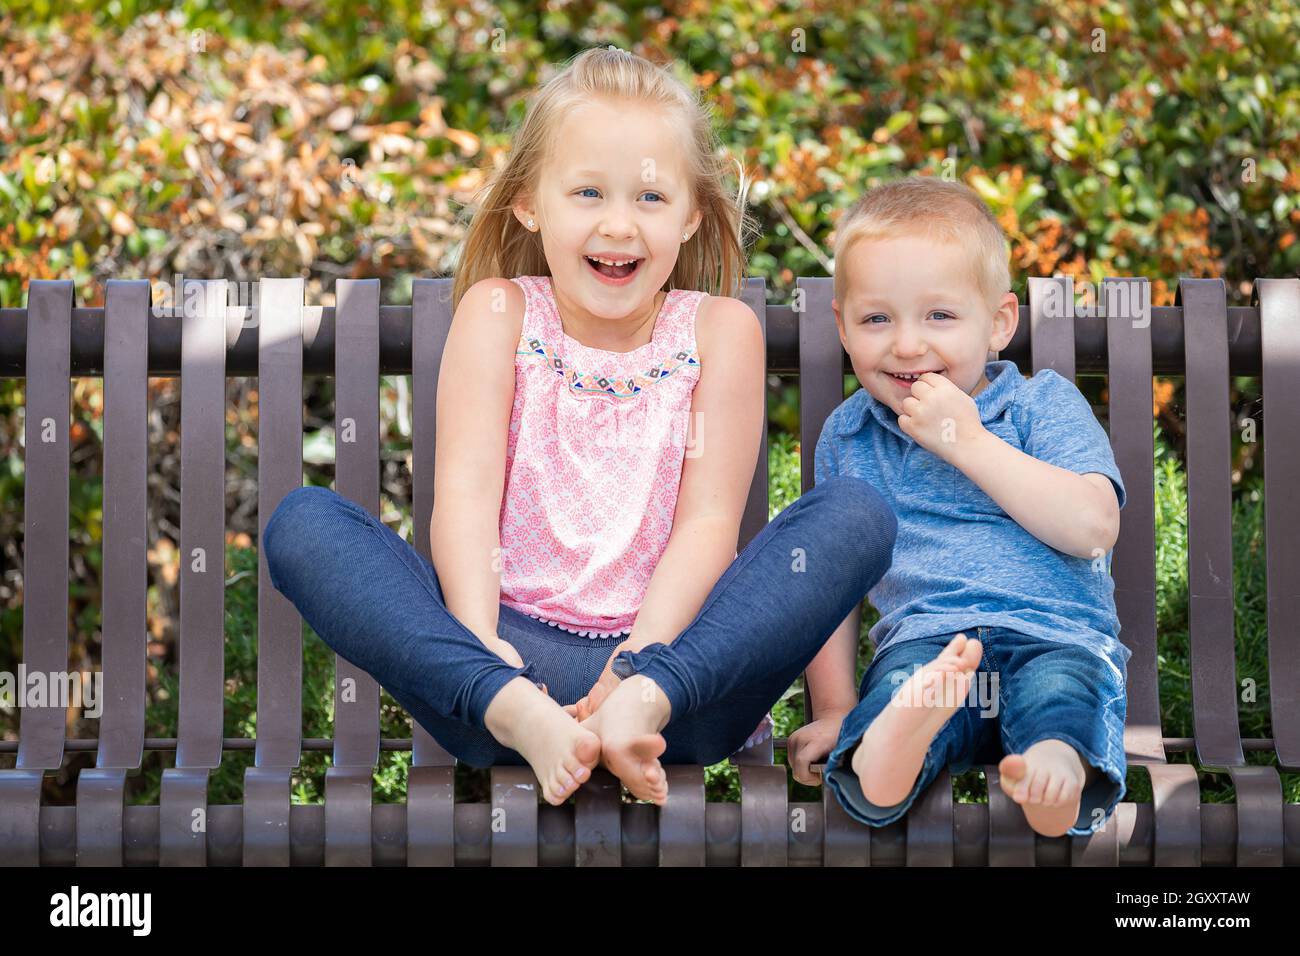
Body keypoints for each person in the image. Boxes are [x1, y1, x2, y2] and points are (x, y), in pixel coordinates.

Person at [263, 46, 896, 808]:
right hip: (500, 671)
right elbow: (462, 500)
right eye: (589, 192)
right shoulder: (499, 313)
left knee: (857, 515)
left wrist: (641, 668)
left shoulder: (720, 331)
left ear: (694, 212)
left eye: (652, 199)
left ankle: (633, 708)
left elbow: (708, 525)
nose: (619, 224)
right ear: (531, 201)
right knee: (304, 523)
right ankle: (520, 712)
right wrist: (480, 647)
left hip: (680, 688)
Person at [787, 176, 1128, 837]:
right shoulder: (851, 435)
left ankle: (1054, 768)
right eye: (877, 319)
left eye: (939, 316)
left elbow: (1092, 528)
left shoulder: (1041, 406)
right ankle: (887, 750)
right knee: (900, 698)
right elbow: (831, 582)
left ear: (998, 323)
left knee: (1063, 700)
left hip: (1054, 637)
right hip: (929, 649)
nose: (908, 345)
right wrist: (834, 708)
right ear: (844, 327)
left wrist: (967, 442)